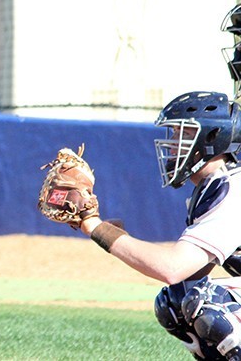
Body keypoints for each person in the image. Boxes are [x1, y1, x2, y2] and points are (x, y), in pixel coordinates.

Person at [68, 91, 241, 360]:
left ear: (210, 138)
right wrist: (114, 235)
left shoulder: (232, 190)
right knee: (176, 302)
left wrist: (95, 227)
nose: (172, 145)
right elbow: (188, 276)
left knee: (208, 305)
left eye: (180, 135)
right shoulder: (216, 185)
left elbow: (171, 268)